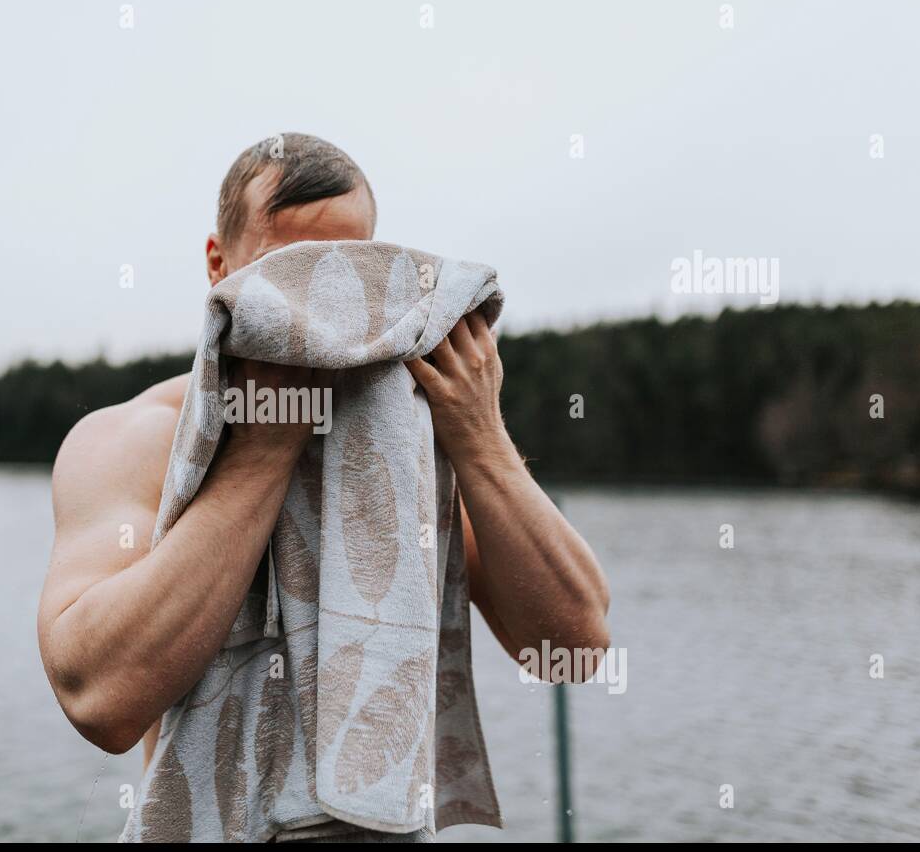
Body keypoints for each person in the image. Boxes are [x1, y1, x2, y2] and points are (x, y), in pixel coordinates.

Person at [37, 132, 610, 788]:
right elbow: (99, 699)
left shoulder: (406, 443)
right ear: (218, 266)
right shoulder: (135, 440)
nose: (322, 306)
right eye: (292, 269)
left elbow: (573, 649)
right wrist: (262, 451)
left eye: (348, 270)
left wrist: (481, 443)